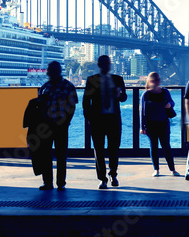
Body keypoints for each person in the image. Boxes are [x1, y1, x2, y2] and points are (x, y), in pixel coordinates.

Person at [83, 54, 127, 189]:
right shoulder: (92, 80)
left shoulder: (118, 79)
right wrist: (90, 119)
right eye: (104, 64)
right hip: (98, 120)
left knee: (113, 149)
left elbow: (124, 98)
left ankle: (113, 174)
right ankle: (103, 178)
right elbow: (86, 101)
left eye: (108, 64)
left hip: (113, 119)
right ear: (100, 65)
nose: (107, 66)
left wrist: (118, 95)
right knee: (99, 150)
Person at [33, 61, 78, 190]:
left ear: (56, 71)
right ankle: (49, 182)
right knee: (47, 154)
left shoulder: (67, 86)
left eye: (50, 70)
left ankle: (59, 182)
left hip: (60, 126)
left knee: (60, 155)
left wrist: (66, 122)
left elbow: (72, 106)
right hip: (46, 126)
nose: (48, 73)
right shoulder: (46, 86)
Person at [140, 71, 179, 177]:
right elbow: (143, 112)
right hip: (151, 124)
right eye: (155, 80)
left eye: (158, 79)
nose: (157, 81)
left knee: (166, 146)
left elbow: (172, 102)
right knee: (154, 146)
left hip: (164, 122)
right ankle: (156, 169)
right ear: (150, 81)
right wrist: (142, 127)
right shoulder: (146, 94)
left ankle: (173, 169)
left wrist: (169, 105)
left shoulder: (165, 91)